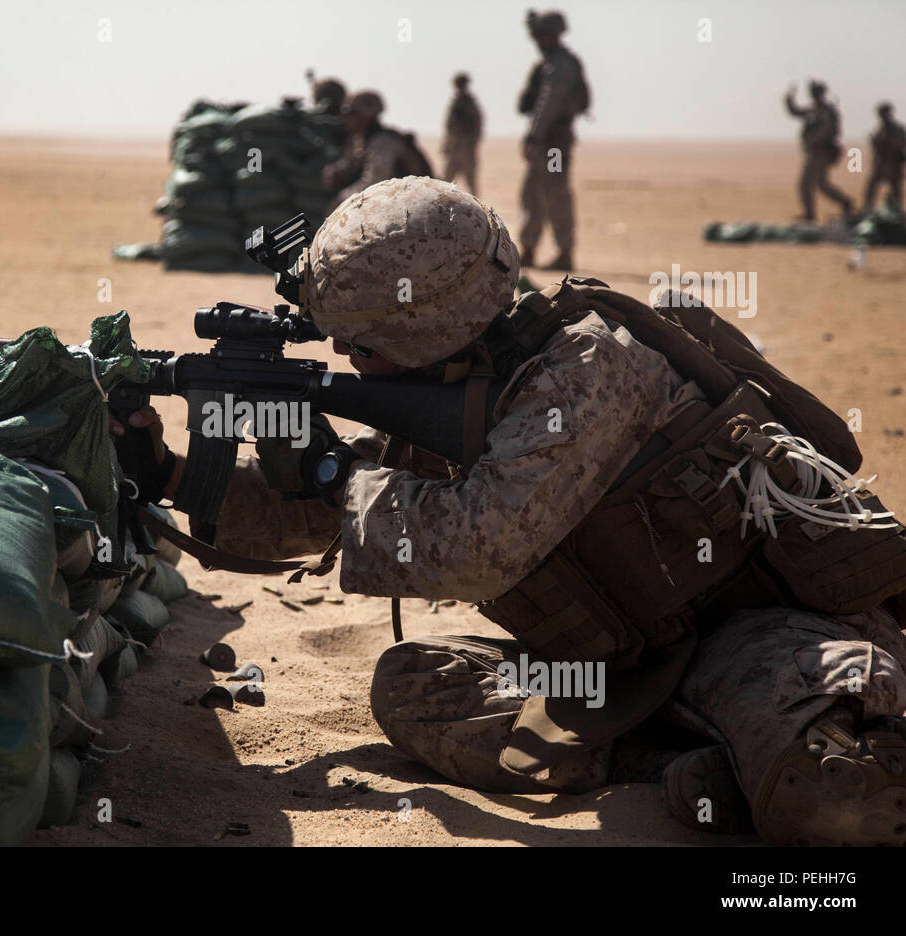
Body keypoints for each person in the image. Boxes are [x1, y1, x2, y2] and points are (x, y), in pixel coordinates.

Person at [118, 177, 906, 846]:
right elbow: (344, 511)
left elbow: (475, 543)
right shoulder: (460, 381)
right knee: (415, 687)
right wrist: (170, 471)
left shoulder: (587, 369)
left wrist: (329, 473)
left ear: (427, 326)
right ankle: (680, 760)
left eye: (361, 343)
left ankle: (742, 748)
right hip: (626, 668)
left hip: (758, 634)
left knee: (838, 790)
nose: (348, 360)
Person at [517, 9, 588, 270]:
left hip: (554, 143)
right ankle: (529, 249)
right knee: (532, 193)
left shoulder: (561, 65)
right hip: (545, 143)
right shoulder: (551, 63)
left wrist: (534, 136)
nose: (537, 40)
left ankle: (564, 252)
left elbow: (548, 103)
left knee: (555, 193)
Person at [321, 90, 432, 210]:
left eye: (351, 113)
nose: (345, 118)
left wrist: (343, 199)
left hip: (408, 203)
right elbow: (352, 163)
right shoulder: (361, 140)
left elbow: (375, 183)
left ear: (365, 116)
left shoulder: (383, 142)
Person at [785, 80, 854, 220]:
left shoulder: (826, 110)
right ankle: (845, 203)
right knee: (821, 184)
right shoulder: (814, 109)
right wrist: (789, 99)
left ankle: (810, 214)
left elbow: (828, 130)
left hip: (821, 152)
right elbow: (796, 112)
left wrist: (813, 139)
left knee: (806, 184)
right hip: (814, 152)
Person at [442, 72, 483, 194]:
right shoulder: (455, 103)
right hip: (454, 148)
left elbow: (477, 127)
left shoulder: (470, 104)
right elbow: (449, 127)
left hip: (466, 149)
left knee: (471, 183)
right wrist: (447, 144)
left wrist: (470, 144)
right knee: (446, 184)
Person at [864, 102, 906, 213]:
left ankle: (897, 214)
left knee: (896, 191)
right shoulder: (881, 128)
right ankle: (867, 211)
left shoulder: (896, 128)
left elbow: (900, 144)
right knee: (871, 190)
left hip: (893, 165)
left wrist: (887, 142)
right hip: (881, 164)